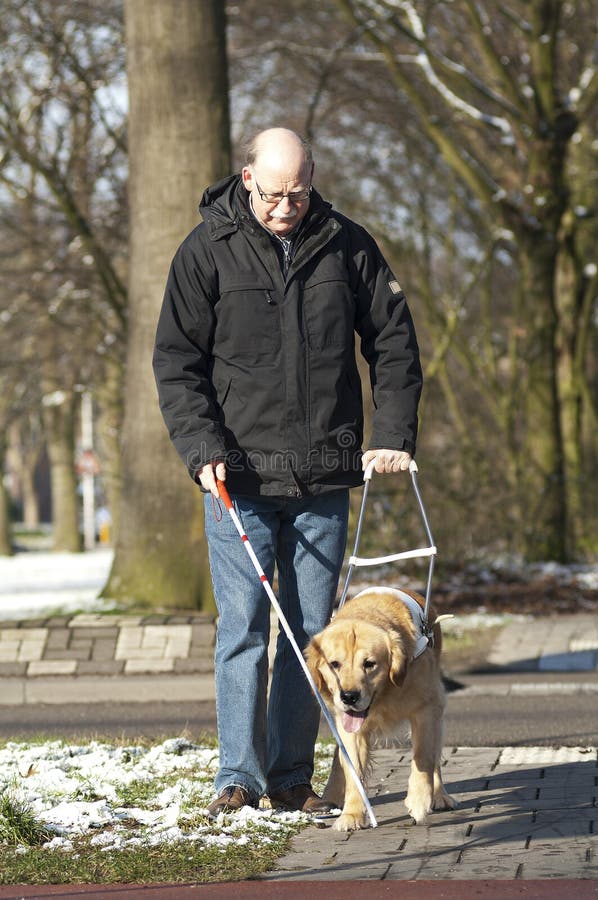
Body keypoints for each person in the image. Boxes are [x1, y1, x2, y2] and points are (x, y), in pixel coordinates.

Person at [153, 127, 422, 818]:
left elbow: (393, 339)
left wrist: (390, 433)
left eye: (297, 194)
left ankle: (292, 776)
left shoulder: (348, 244)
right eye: (273, 194)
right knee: (244, 626)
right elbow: (177, 362)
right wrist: (202, 446)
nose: (284, 208)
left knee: (315, 636)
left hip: (323, 478)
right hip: (234, 479)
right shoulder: (204, 250)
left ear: (312, 181)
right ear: (248, 179)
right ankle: (237, 778)